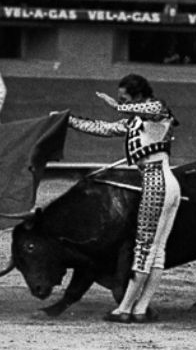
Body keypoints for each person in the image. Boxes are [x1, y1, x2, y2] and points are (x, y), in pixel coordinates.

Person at [66, 74, 179, 323]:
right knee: (156, 251)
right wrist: (68, 120)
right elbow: (102, 128)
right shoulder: (134, 122)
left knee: (145, 247)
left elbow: (152, 109)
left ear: (138, 96)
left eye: (125, 98)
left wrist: (116, 106)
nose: (122, 102)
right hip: (165, 182)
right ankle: (140, 309)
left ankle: (125, 309)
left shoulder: (158, 109)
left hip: (156, 182)